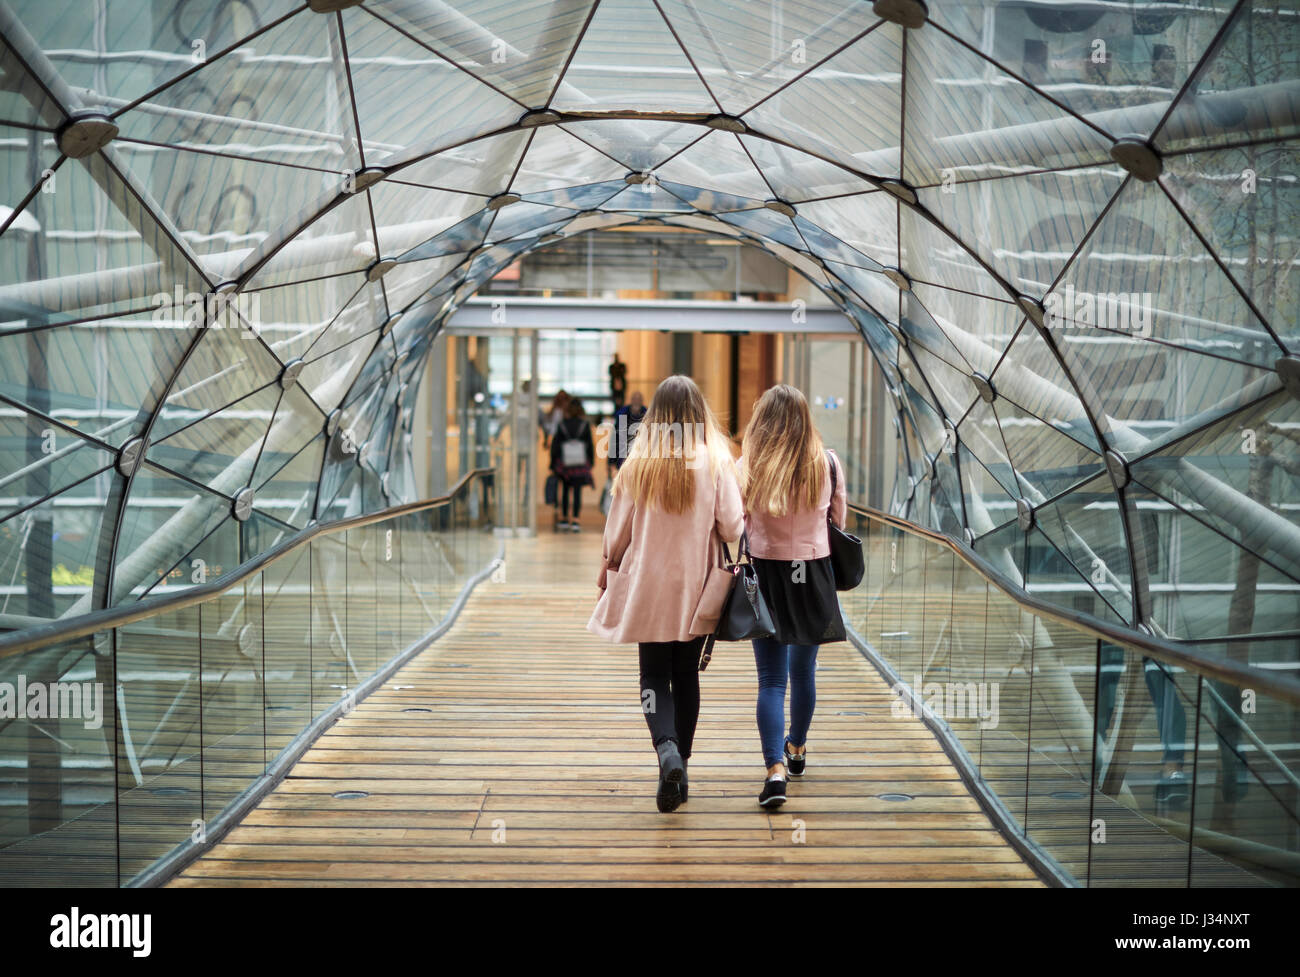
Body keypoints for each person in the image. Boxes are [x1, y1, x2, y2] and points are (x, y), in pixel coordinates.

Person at [588, 376, 743, 813]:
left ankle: (667, 751)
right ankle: (682, 767)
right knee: (687, 675)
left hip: (647, 587)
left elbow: (616, 532)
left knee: (653, 677)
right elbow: (732, 527)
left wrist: (607, 565)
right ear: (699, 411)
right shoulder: (715, 460)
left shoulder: (641, 460)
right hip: (696, 588)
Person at [738, 384, 847, 809]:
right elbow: (837, 520)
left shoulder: (748, 466)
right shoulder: (828, 464)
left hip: (767, 574)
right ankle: (797, 749)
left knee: (770, 680)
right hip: (813, 573)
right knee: (804, 673)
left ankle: (775, 771)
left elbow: (735, 523)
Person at [550, 397, 594, 532]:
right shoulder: (584, 425)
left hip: (565, 463)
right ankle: (575, 520)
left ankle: (564, 519)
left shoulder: (562, 424)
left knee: (564, 491)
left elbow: (555, 445)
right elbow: (590, 445)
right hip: (580, 463)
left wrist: (553, 463)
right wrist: (590, 462)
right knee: (577, 492)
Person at [608, 390, 647, 474]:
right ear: (631, 401)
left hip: (641, 458)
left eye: (639, 399)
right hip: (623, 456)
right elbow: (614, 439)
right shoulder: (622, 416)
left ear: (642, 401)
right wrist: (611, 460)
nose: (637, 401)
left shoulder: (648, 418)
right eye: (635, 399)